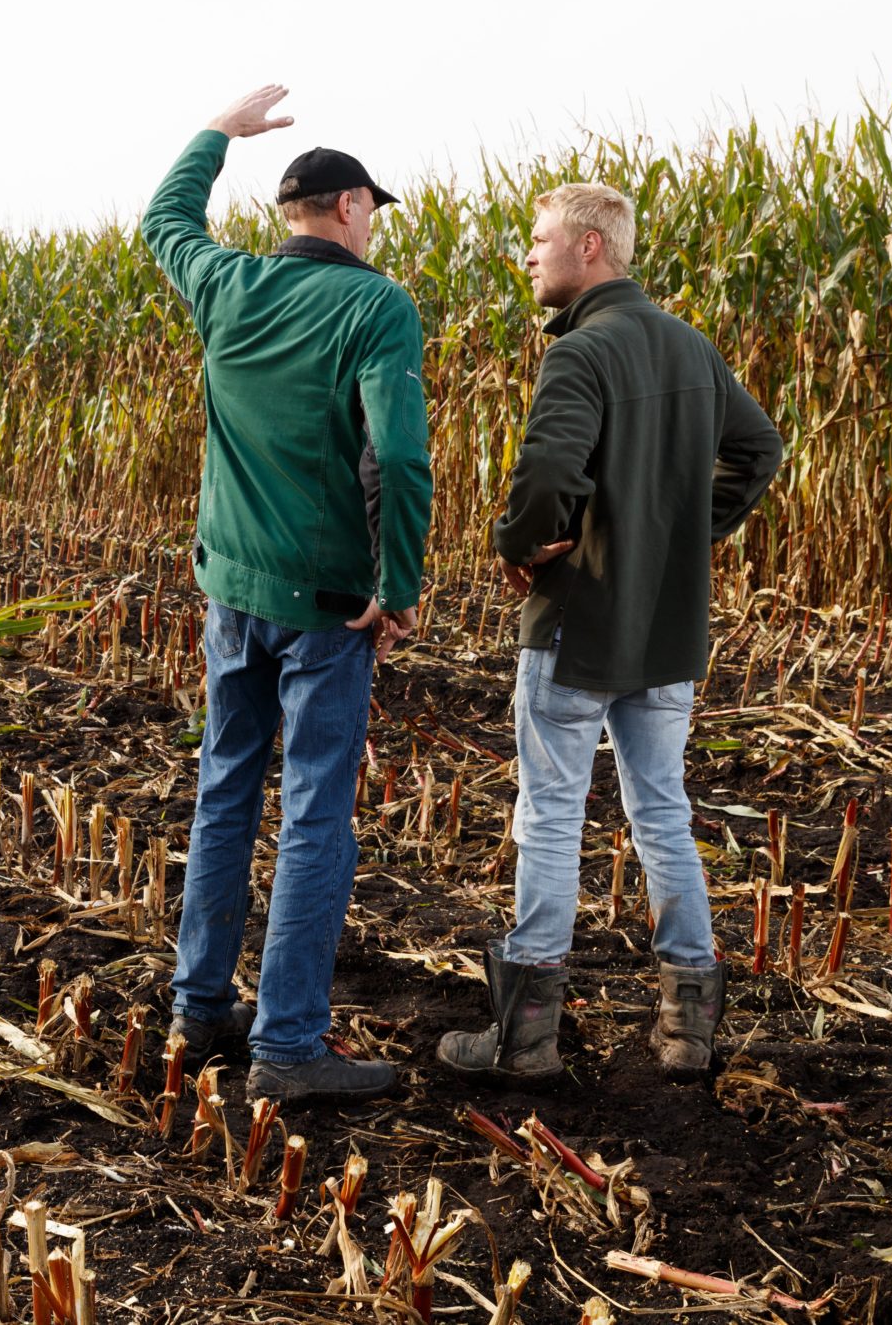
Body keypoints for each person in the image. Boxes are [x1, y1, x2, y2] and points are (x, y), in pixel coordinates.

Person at [437, 182, 783, 1082]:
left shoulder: (581, 353)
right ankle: (688, 1024)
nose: (529, 252)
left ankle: (527, 1036)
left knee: (551, 809)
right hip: (665, 631)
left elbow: (549, 466)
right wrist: (685, 530)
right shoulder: (690, 347)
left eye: (540, 236)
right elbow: (761, 448)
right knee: (661, 808)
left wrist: (518, 543)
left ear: (591, 248)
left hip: (580, 620)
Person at [142, 84, 432, 1105]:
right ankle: (290, 1047)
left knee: (225, 787)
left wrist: (215, 135)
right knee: (314, 810)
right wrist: (396, 584)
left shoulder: (226, 286)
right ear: (352, 207)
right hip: (323, 604)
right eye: (370, 209)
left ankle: (198, 1006)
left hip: (232, 589)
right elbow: (396, 459)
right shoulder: (373, 304)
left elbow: (163, 221)